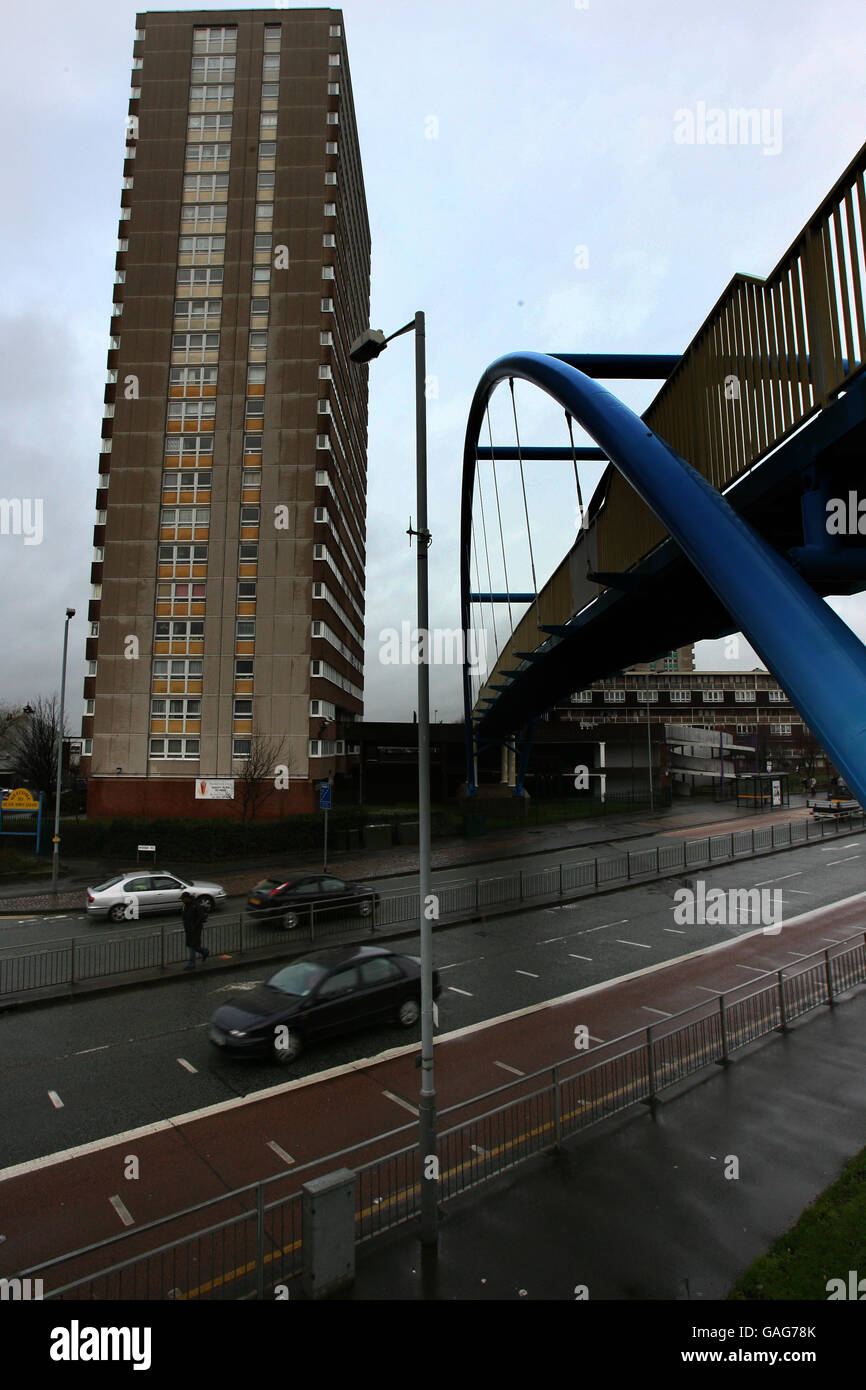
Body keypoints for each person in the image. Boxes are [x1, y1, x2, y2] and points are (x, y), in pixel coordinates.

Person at [181, 891, 209, 970]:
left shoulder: (196, 905)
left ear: (187, 898)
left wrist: (194, 926)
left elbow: (201, 917)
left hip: (195, 929)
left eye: (183, 899)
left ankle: (191, 964)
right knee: (193, 945)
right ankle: (204, 951)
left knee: (192, 946)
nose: (182, 900)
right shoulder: (185, 906)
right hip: (189, 928)